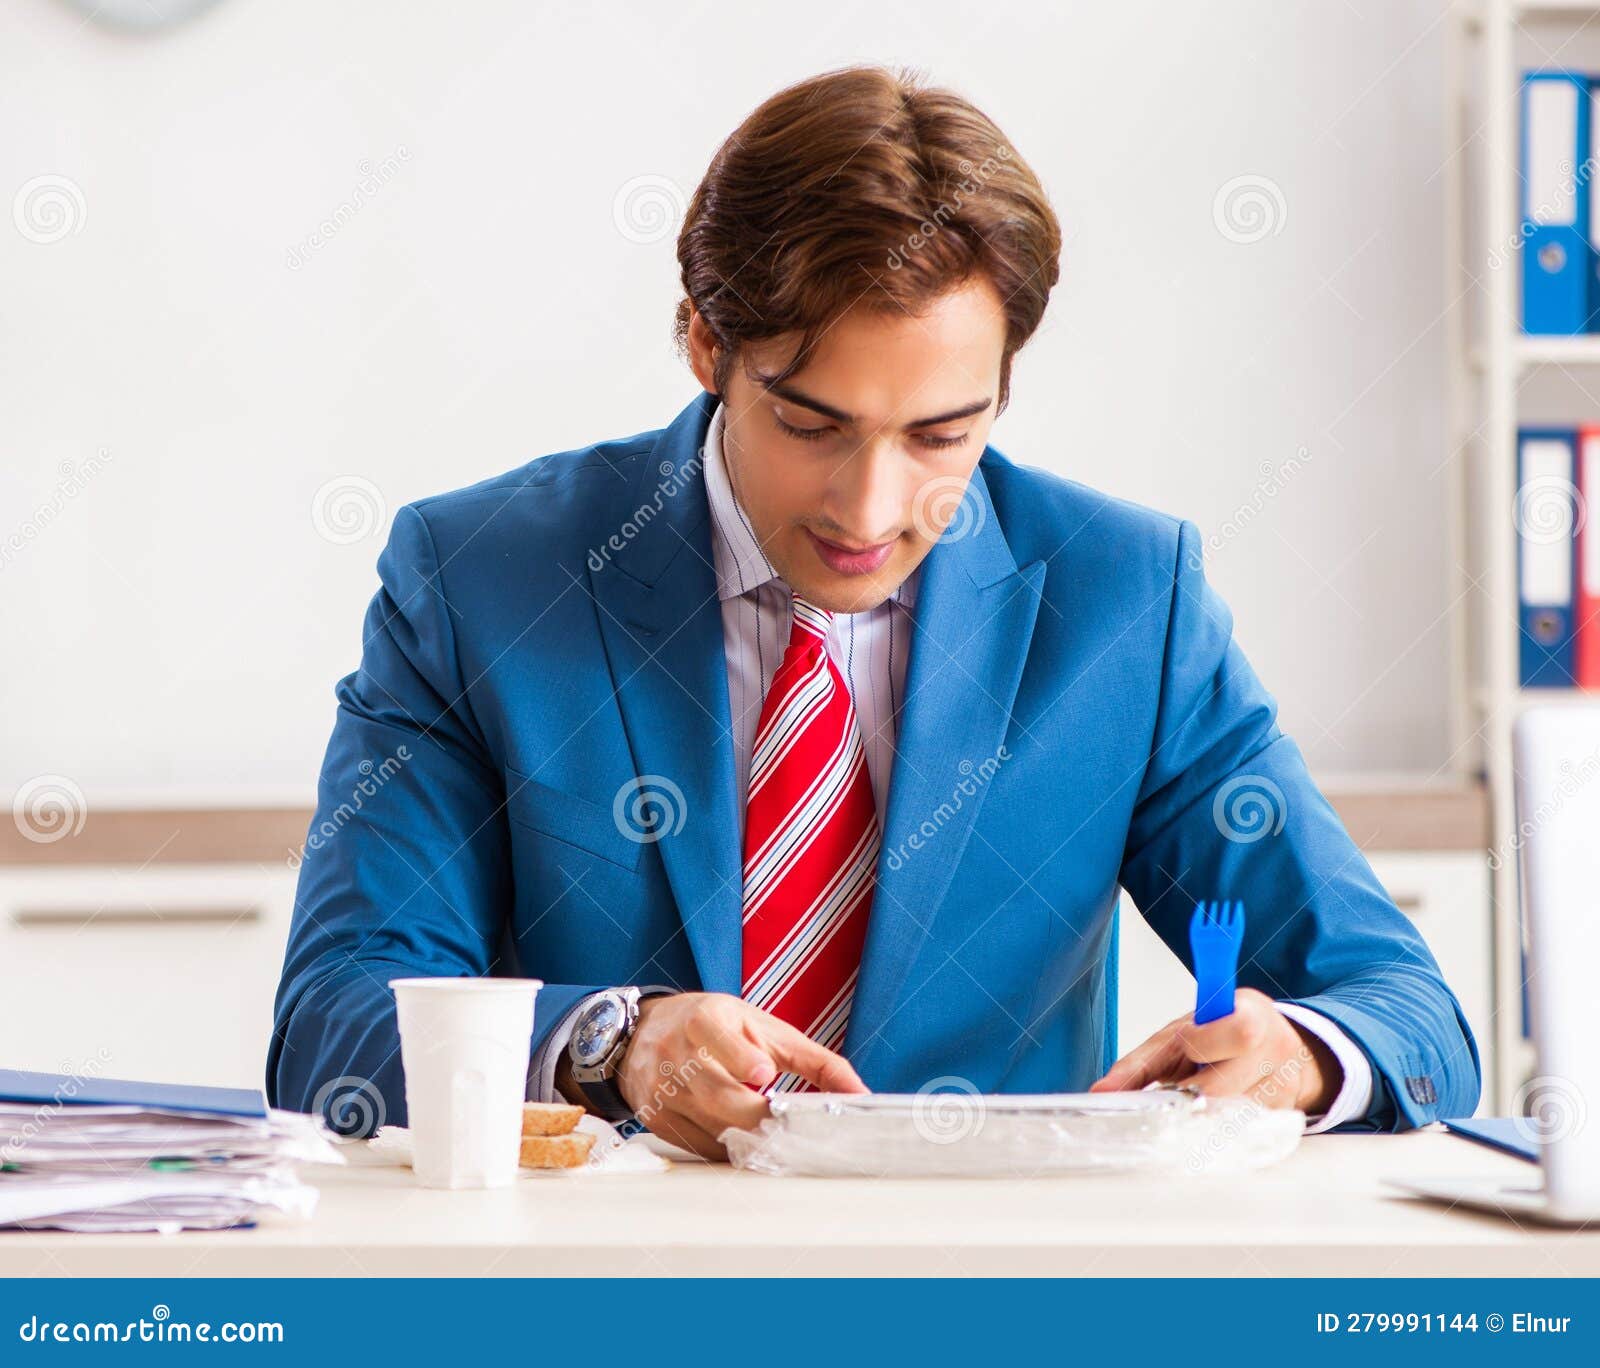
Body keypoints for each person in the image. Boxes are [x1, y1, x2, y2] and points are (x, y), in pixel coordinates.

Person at [268, 65, 1479, 1158]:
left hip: (990, 1296)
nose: (872, 506)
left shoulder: (1125, 603)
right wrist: (605, 1045)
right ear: (704, 344)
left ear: (1004, 386)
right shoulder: (482, 579)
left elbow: (1408, 1013)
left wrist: (1307, 1058)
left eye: (941, 435)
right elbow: (332, 1025)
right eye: (811, 425)